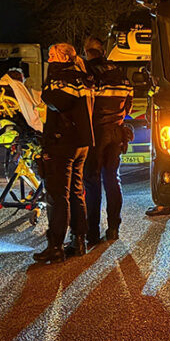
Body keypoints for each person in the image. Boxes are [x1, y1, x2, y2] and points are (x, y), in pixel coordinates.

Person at [33, 43, 94, 263]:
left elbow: (55, 101)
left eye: (52, 55)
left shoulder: (62, 78)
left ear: (63, 57)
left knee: (57, 195)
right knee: (76, 192)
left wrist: (47, 87)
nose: (49, 60)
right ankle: (79, 241)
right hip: (81, 144)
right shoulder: (83, 76)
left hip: (62, 142)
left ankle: (56, 246)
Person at [82, 36, 131, 244]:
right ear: (103, 51)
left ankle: (92, 232)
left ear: (87, 52)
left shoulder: (86, 71)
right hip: (116, 130)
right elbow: (127, 106)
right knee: (113, 180)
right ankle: (113, 228)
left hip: (96, 133)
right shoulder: (120, 73)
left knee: (92, 182)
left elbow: (84, 104)